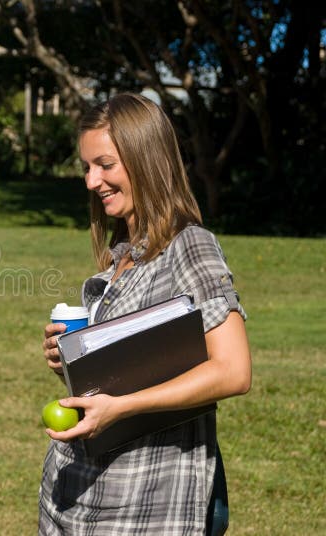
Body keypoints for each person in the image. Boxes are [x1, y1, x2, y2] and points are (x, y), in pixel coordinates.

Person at [39, 93, 252, 535]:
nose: (91, 181)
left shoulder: (189, 246)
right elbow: (126, 373)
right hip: (80, 496)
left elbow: (233, 371)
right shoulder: (119, 262)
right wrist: (72, 363)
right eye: (86, 167)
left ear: (145, 159)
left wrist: (124, 406)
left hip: (147, 502)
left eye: (105, 164)